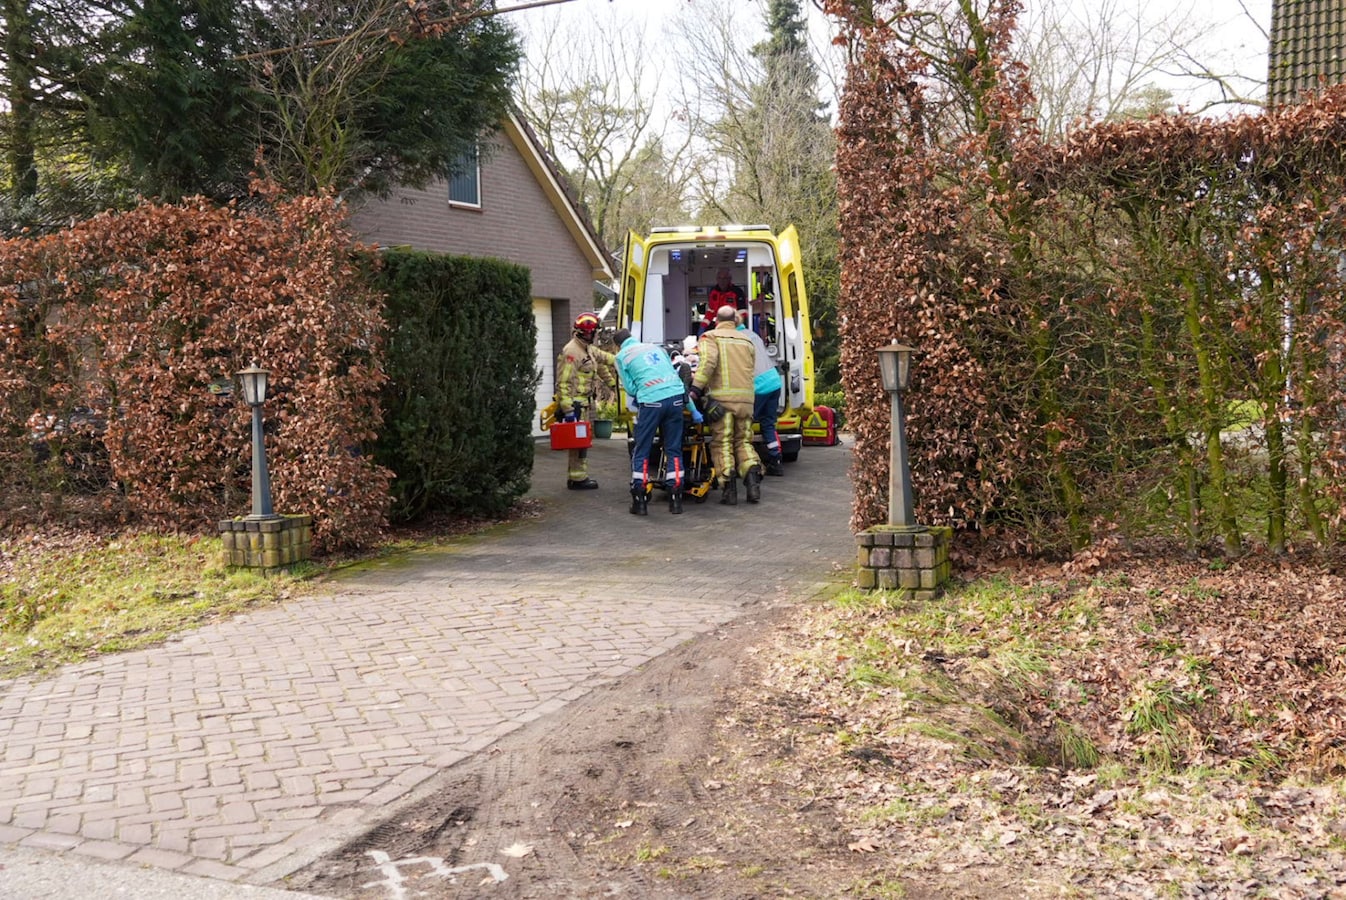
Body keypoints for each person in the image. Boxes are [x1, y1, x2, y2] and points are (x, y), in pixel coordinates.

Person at [689, 305, 763, 505]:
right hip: (746, 401)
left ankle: (729, 491)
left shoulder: (710, 337)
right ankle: (753, 480)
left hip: (722, 402)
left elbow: (708, 363)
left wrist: (695, 389)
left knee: (722, 442)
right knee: (744, 442)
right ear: (736, 320)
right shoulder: (747, 339)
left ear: (716, 320)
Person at [613, 328, 688, 515]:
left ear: (617, 345)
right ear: (633, 338)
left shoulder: (621, 356)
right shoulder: (656, 348)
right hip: (676, 397)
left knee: (642, 449)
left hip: (651, 402)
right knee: (673, 449)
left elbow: (630, 388)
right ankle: (675, 499)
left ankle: (639, 500)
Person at [555, 312, 618, 490]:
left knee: (581, 442)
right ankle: (578, 479)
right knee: (578, 444)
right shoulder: (572, 352)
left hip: (582, 404)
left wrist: (614, 378)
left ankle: (577, 477)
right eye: (594, 332)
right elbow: (563, 383)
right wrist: (568, 411)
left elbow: (602, 362)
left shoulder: (587, 348)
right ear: (586, 333)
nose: (596, 335)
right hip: (575, 407)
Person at [739, 314, 785, 476]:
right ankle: (776, 461)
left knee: (744, 425)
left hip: (758, 387)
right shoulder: (753, 334)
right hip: (773, 381)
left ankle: (748, 463)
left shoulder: (735, 338)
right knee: (768, 424)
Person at [697, 268, 747, 334]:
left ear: (729, 279)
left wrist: (737, 326)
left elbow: (742, 312)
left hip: (732, 327)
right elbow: (711, 311)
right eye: (719, 278)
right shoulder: (713, 292)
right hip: (717, 326)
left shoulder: (737, 292)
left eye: (725, 278)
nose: (722, 281)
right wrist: (703, 326)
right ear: (717, 279)